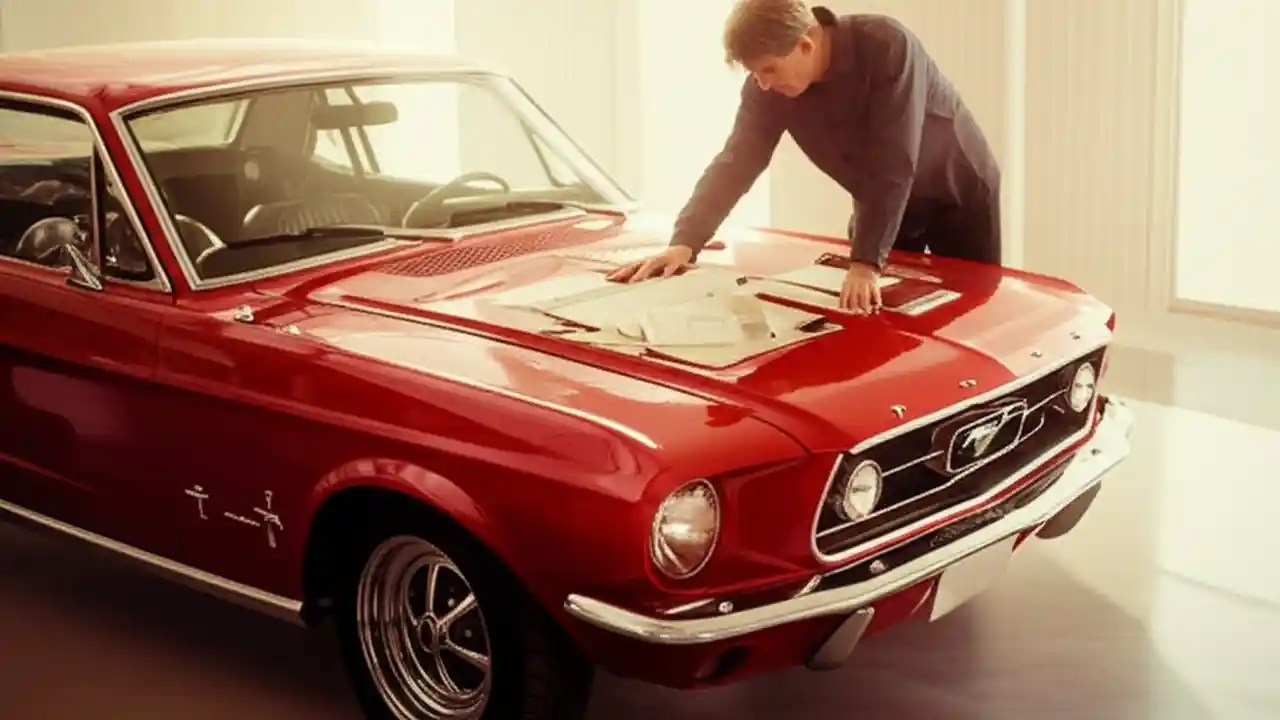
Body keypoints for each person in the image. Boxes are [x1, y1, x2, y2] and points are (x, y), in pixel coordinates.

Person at [607, 1, 1002, 314]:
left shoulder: (887, 45)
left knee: (968, 316)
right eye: (754, 73)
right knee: (875, 317)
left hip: (957, 193)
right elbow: (737, 161)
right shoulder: (767, 87)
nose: (762, 83)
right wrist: (685, 241)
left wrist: (865, 262)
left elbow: (893, 158)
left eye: (769, 70)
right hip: (880, 200)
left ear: (806, 45)